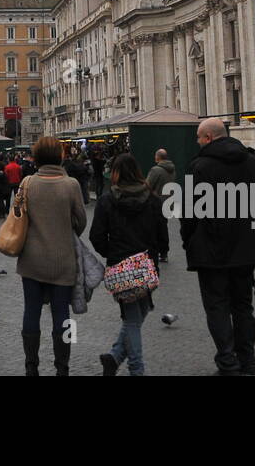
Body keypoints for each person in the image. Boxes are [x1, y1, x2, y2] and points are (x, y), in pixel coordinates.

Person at [181, 118, 255, 376]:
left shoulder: (199, 167)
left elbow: (189, 213)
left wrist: (190, 241)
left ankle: (227, 362)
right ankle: (248, 361)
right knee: (242, 306)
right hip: (245, 250)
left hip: (211, 249)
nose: (197, 142)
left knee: (217, 306)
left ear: (208, 138)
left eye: (198, 137)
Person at [89, 154, 169, 376]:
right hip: (146, 264)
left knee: (138, 313)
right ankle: (135, 368)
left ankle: (116, 358)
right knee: (136, 316)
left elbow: (97, 236)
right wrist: (155, 252)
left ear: (115, 173)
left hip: (121, 265)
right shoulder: (152, 200)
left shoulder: (107, 200)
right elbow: (163, 234)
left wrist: (113, 253)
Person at [16, 137, 86, 376]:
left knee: (31, 311)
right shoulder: (71, 185)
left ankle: (31, 366)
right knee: (62, 315)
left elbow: (16, 215)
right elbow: (81, 222)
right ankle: (62, 368)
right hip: (63, 260)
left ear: (35, 158)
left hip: (31, 260)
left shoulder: (27, 183)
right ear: (60, 157)